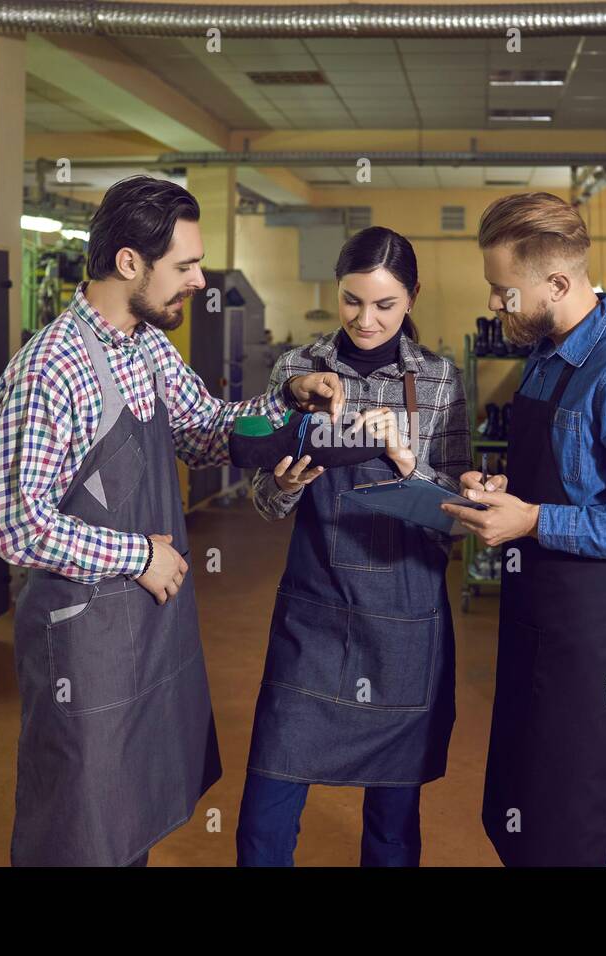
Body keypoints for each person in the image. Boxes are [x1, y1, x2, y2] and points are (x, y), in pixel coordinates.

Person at [0, 175, 342, 866]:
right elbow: (10, 522)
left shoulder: (144, 345)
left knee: (127, 820)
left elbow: (208, 428)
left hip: (142, 631)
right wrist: (137, 556)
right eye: (184, 266)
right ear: (128, 264)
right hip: (84, 645)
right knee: (78, 828)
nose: (200, 280)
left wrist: (291, 410)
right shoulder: (52, 370)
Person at [442, 192, 606, 867]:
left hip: (601, 639)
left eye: (506, 293)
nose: (499, 306)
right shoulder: (549, 355)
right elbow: (568, 481)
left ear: (558, 283)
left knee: (589, 834)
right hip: (540, 621)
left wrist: (533, 520)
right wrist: (504, 494)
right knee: (530, 819)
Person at [236, 226, 472, 866]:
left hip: (404, 619)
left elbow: (457, 512)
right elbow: (261, 498)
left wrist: (404, 462)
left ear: (413, 297)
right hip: (314, 612)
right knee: (267, 801)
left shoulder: (440, 380)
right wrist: (285, 485)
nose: (366, 321)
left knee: (393, 823)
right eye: (351, 301)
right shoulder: (298, 370)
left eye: (385, 305)